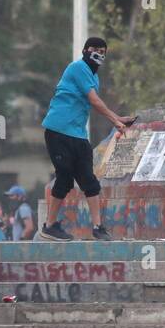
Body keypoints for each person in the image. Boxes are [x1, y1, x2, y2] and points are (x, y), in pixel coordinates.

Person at [36, 37, 135, 241]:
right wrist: (115, 121)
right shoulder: (77, 67)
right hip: (58, 130)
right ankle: (49, 226)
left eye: (102, 50)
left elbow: (95, 103)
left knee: (89, 181)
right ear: (85, 50)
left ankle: (98, 227)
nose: (98, 53)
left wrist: (118, 118)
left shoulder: (93, 77)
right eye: (94, 49)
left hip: (78, 134)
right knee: (64, 177)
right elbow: (94, 101)